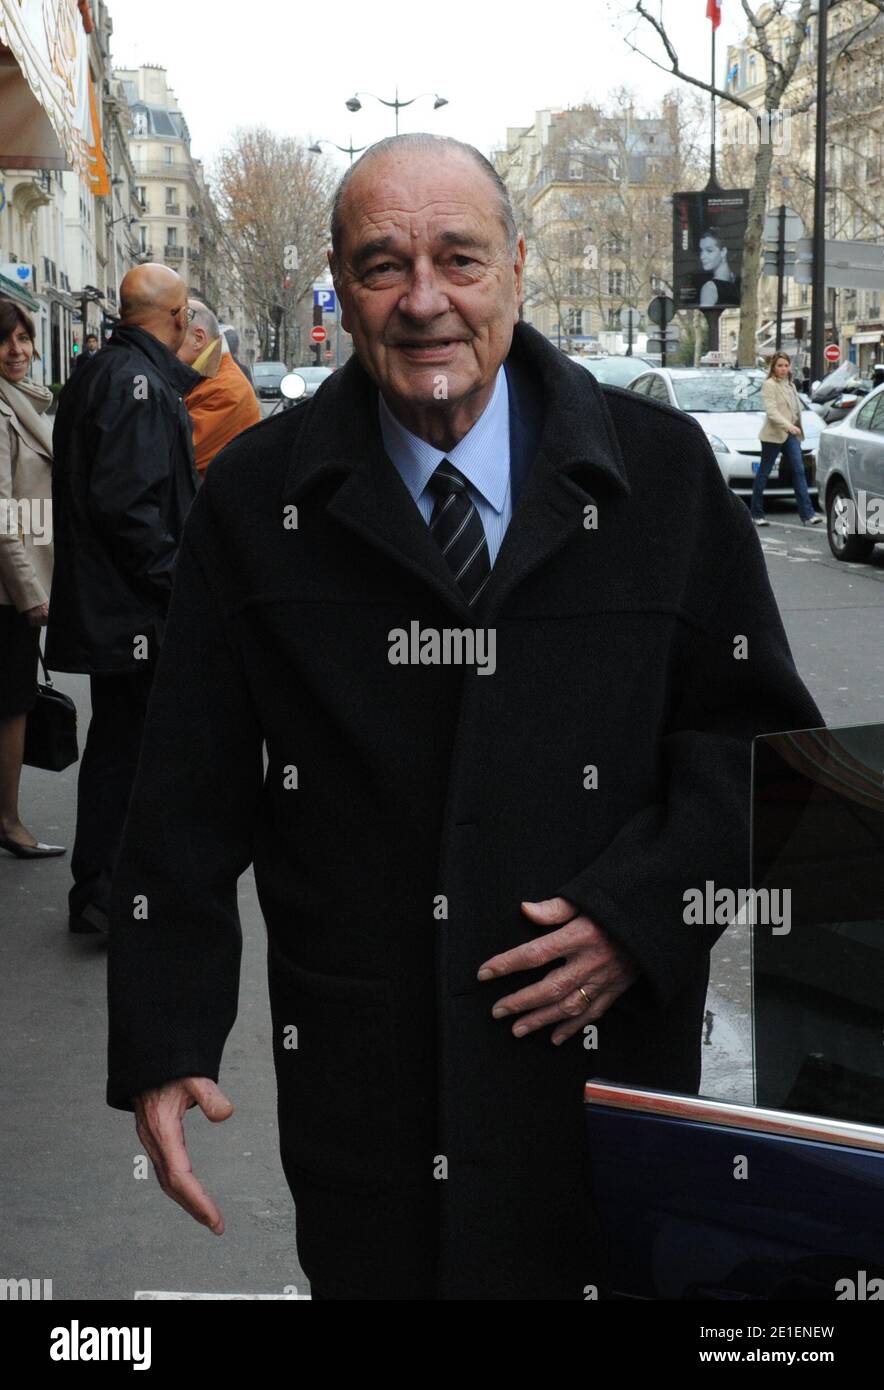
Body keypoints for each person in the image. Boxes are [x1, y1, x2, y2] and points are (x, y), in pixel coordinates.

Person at [106, 134, 823, 1300]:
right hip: (366, 1084)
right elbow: (186, 786)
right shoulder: (256, 498)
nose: (425, 300)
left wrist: (632, 919)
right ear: (337, 288)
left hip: (605, 1073)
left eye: (459, 258)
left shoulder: (665, 477)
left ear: (518, 267)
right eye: (383, 264)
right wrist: (163, 1040)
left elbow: (755, 750)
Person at [46, 264, 201, 934]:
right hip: (133, 613)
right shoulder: (136, 384)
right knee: (132, 755)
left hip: (112, 609)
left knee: (119, 749)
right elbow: (132, 507)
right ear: (176, 317)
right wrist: (178, 587)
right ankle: (111, 894)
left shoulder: (102, 372)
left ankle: (104, 891)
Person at [0, 300, 64, 859]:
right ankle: (9, 821)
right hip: (7, 588)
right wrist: (30, 592)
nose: (17, 349)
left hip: (20, 572)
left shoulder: (26, 402)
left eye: (23, 337)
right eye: (6, 340)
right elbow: (2, 512)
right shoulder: (1, 411)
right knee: (13, 704)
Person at [178, 301, 260, 477]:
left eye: (173, 336)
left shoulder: (226, 389)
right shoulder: (207, 377)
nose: (165, 344)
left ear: (198, 339)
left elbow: (174, 454)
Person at [753, 351, 822, 528]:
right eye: (779, 366)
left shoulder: (790, 385)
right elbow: (772, 412)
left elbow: (795, 411)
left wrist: (796, 428)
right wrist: (788, 425)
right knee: (765, 473)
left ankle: (808, 514)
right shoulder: (769, 385)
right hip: (773, 436)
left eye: (786, 365)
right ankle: (757, 514)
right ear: (773, 368)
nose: (783, 369)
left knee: (799, 471)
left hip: (791, 436)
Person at [696, 228, 740, 307]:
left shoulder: (710, 288)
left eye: (709, 250)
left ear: (723, 252)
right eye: (701, 251)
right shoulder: (739, 282)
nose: (702, 256)